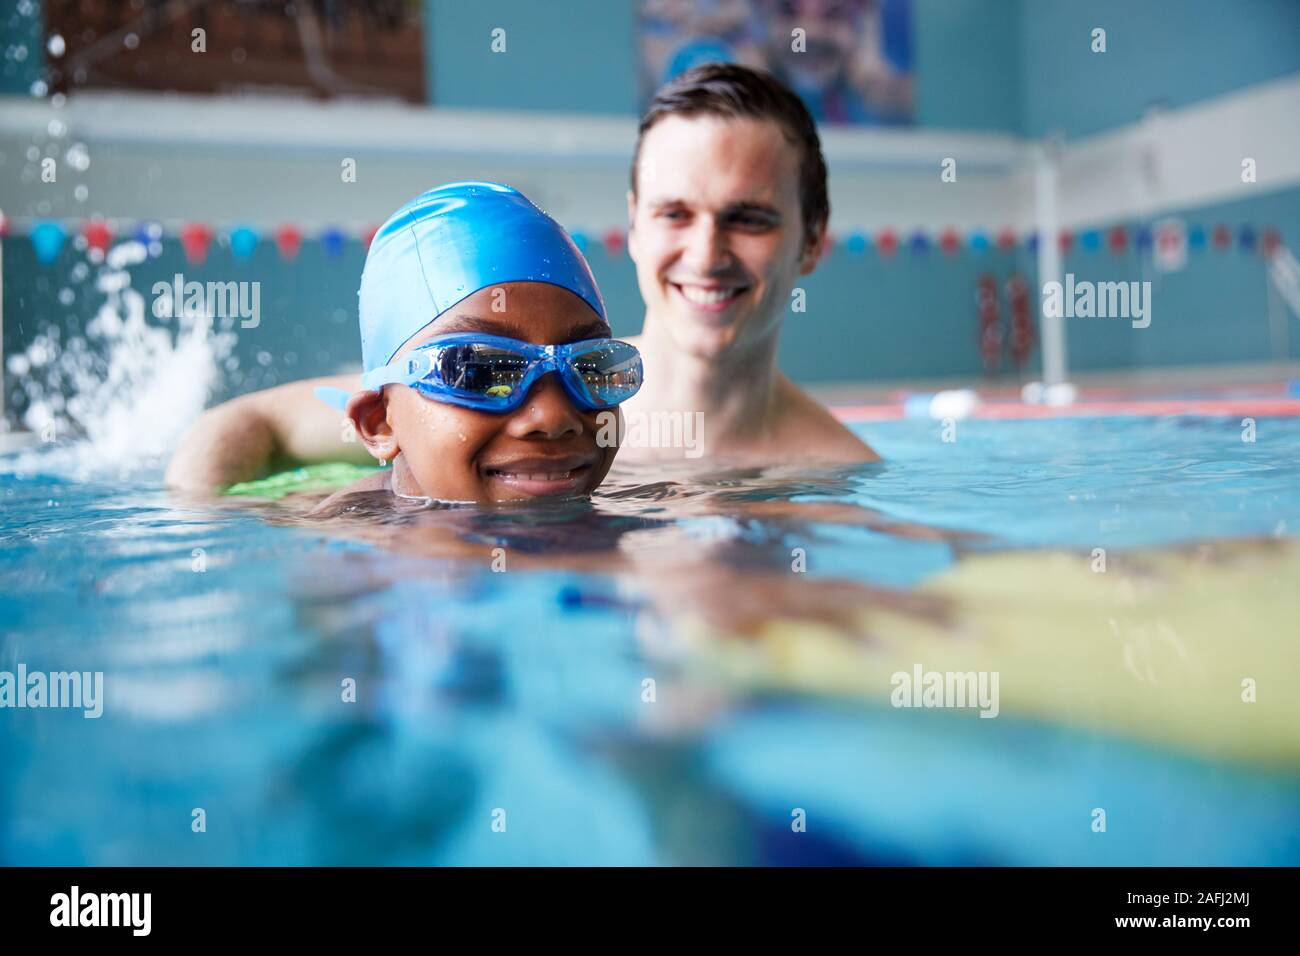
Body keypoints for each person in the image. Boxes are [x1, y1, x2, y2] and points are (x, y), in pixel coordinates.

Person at [165, 64, 873, 492]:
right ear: (635, 222)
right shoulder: (474, 378)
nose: (706, 251)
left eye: (749, 219)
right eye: (674, 213)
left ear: (812, 240)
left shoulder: (832, 473)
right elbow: (242, 424)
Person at [165, 181, 643, 505]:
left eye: (592, 367)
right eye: (478, 371)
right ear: (378, 423)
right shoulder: (348, 561)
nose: (554, 417)